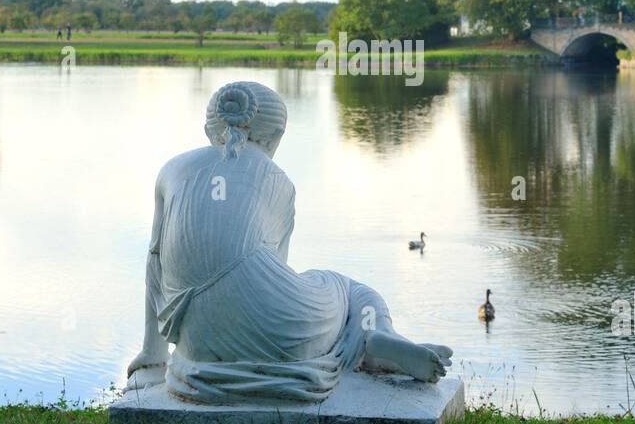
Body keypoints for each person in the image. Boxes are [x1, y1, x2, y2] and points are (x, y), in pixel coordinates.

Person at [126, 81, 451, 403]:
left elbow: (155, 264)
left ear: (210, 126)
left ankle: (373, 343)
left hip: (195, 339)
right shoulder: (278, 180)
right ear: (274, 135)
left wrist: (152, 354)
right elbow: (269, 277)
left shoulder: (171, 169)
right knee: (351, 290)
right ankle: (378, 337)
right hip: (280, 329)